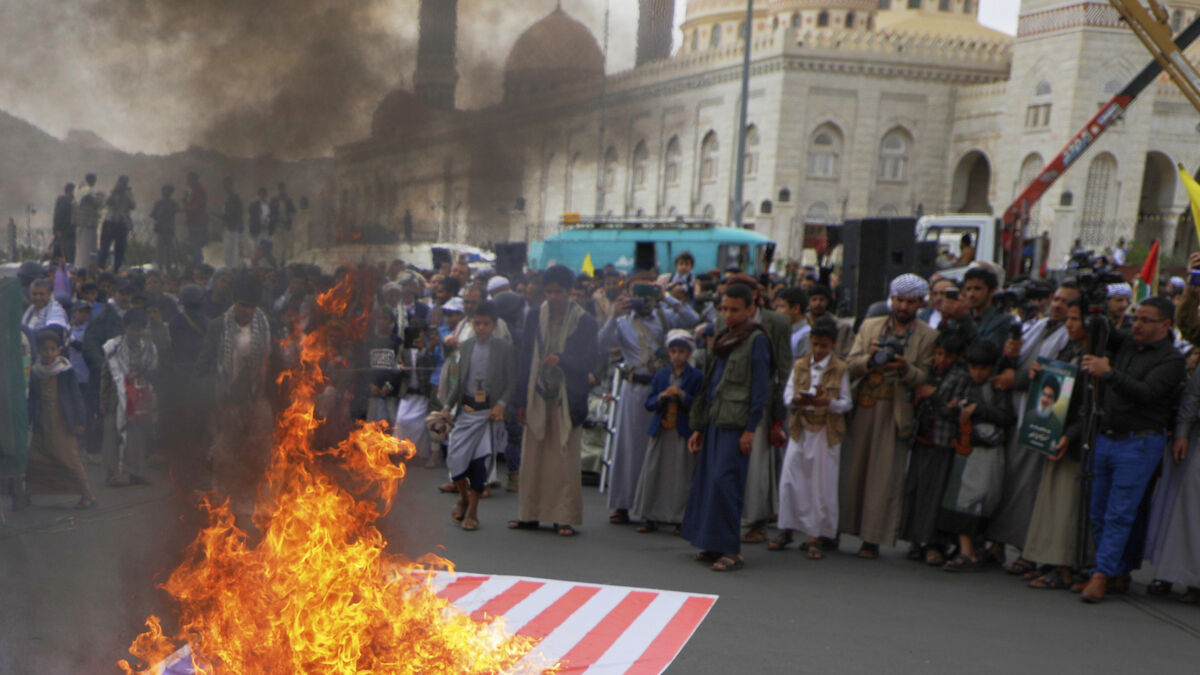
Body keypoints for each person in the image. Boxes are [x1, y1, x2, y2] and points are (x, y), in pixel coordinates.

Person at [1077, 297, 1186, 603]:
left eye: (1146, 320)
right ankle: (1115, 571)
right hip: (1107, 437)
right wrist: (1092, 298)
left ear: (1166, 325)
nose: (1137, 325)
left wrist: (1110, 373)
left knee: (1120, 512)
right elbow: (1097, 328)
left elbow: (1147, 393)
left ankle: (1101, 575)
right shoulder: (1126, 344)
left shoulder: (1171, 360)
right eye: (1136, 318)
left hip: (1139, 442)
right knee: (1098, 509)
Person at [985, 281, 1081, 572]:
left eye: (1066, 302)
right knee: (1008, 481)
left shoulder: (1070, 337)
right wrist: (1010, 357)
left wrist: (1018, 378)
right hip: (1017, 412)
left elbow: (1058, 373)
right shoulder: (1038, 326)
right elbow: (1018, 363)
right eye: (1056, 299)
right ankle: (997, 544)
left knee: (1030, 487)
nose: (1058, 305)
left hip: (1043, 417)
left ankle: (1028, 549)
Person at [840, 273, 937, 559]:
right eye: (899, 300)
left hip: (895, 412)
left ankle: (872, 539)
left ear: (920, 302)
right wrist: (870, 360)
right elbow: (849, 364)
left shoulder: (928, 336)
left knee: (884, 479)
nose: (903, 306)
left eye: (910, 301)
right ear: (891, 300)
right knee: (852, 473)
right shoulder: (870, 326)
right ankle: (841, 529)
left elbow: (925, 376)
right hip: (864, 407)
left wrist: (905, 367)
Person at [680, 283, 771, 572]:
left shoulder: (757, 340)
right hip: (716, 419)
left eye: (734, 310)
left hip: (736, 423)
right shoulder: (724, 337)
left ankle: (731, 549)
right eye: (724, 309)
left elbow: (760, 388)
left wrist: (750, 428)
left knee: (725, 483)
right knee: (709, 483)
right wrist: (700, 426)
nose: (728, 315)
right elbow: (711, 384)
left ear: (750, 310)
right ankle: (711, 543)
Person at [599, 273, 699, 525]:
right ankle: (622, 504)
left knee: (659, 450)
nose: (643, 299)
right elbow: (601, 344)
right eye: (638, 293)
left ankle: (654, 508)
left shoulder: (666, 316)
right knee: (629, 448)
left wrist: (667, 298)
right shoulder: (622, 322)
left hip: (665, 388)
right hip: (634, 389)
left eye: (648, 292)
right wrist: (612, 316)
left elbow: (693, 319)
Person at [510, 265, 598, 536]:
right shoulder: (535, 316)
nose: (553, 297)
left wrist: (561, 360)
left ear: (570, 292)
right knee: (533, 456)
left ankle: (564, 518)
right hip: (537, 395)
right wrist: (520, 401)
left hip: (567, 397)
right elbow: (525, 357)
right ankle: (530, 514)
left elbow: (589, 363)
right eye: (548, 292)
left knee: (563, 459)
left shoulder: (585, 321)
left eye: (558, 292)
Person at [770, 316, 852, 559]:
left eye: (823, 346)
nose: (818, 350)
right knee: (790, 480)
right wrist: (796, 399)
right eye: (815, 345)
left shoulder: (841, 369)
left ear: (833, 345)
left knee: (820, 484)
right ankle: (786, 529)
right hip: (800, 428)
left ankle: (816, 535)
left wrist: (829, 403)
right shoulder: (799, 366)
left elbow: (847, 402)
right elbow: (787, 394)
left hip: (826, 433)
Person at [1024, 300, 1091, 590]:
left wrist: (1071, 434)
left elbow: (1087, 404)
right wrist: (1041, 376)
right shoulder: (1068, 349)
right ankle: (1049, 562)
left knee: (1066, 504)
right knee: (1051, 503)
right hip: (1054, 430)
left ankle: (1063, 566)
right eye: (1070, 319)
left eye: (1077, 319)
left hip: (1075, 439)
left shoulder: (1093, 356)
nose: (1070, 324)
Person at [197, 273, 275, 517]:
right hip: (227, 397)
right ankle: (221, 499)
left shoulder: (263, 325)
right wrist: (209, 393)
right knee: (225, 450)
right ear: (234, 303)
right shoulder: (218, 326)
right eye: (243, 305)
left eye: (252, 306)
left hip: (256, 396)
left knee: (262, 447)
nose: (247, 311)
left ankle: (259, 499)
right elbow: (204, 364)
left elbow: (272, 361)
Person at [939, 339, 1015, 571]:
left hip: (988, 452)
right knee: (963, 500)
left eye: (983, 368)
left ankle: (976, 550)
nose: (977, 373)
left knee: (980, 498)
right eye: (974, 368)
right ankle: (966, 551)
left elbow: (1006, 417)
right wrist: (956, 409)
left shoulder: (997, 388)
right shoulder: (966, 384)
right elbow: (946, 410)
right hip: (966, 449)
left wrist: (979, 410)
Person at [899, 327, 972, 565]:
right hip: (921, 440)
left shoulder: (961, 377)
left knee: (935, 496)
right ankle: (916, 540)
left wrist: (934, 395)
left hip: (942, 443)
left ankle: (934, 544)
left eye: (947, 356)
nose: (941, 360)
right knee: (916, 492)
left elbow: (955, 411)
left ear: (957, 357)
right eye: (938, 354)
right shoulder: (930, 373)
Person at [442, 302, 515, 532]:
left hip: (487, 414)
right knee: (455, 460)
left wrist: (501, 404)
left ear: (494, 325)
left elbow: (512, 381)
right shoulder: (465, 347)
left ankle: (473, 510)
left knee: (478, 463)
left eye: (485, 324)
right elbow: (459, 382)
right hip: (465, 411)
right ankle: (462, 497)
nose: (481, 328)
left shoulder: (504, 348)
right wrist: (447, 407)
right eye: (477, 323)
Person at [631, 329, 703, 534]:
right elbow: (649, 402)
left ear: (688, 354)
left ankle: (680, 518)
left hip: (681, 430)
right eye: (674, 351)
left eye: (682, 351)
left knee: (681, 476)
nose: (677, 356)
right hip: (662, 428)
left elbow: (698, 404)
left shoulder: (696, 376)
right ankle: (650, 516)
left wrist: (681, 395)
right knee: (654, 472)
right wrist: (662, 397)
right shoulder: (662, 374)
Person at [26, 329, 96, 509]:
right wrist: (29, 419)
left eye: (52, 349)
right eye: (44, 350)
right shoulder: (36, 371)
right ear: (39, 351)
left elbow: (76, 397)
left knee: (69, 458)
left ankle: (87, 495)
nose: (49, 353)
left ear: (58, 350)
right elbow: (33, 398)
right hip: (42, 422)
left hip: (63, 421)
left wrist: (80, 421)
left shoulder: (65, 370)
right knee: (37, 458)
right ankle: (26, 494)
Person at [100, 308, 157, 487]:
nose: (136, 333)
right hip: (115, 396)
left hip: (138, 398)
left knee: (137, 436)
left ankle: (136, 473)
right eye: (132, 328)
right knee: (112, 434)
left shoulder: (149, 348)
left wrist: (139, 373)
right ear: (125, 328)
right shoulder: (113, 347)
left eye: (140, 329)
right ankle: (112, 474)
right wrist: (102, 399)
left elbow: (154, 370)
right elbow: (105, 374)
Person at [961, 266, 1014, 347]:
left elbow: (985, 351)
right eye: (968, 289)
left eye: (977, 289)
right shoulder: (961, 318)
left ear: (992, 291)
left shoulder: (1003, 320)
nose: (971, 294)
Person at [99, 175, 135, 272]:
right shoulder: (112, 190)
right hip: (109, 222)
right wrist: (115, 192)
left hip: (122, 223)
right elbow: (107, 202)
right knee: (104, 248)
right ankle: (100, 268)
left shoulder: (128, 192)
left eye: (124, 183)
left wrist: (124, 193)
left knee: (120, 249)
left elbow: (133, 205)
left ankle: (117, 269)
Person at [73, 173, 102, 269]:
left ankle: (81, 265)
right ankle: (85, 267)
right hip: (88, 223)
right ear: (92, 180)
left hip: (81, 222)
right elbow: (98, 204)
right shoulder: (88, 191)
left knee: (81, 246)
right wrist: (99, 197)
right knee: (86, 248)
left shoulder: (79, 189)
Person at [150, 184, 180, 274]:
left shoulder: (172, 203)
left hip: (169, 229)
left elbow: (177, 210)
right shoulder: (159, 203)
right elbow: (153, 214)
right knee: (160, 250)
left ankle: (169, 267)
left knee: (169, 250)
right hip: (161, 229)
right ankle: (160, 267)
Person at [777, 286, 811, 360]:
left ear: (796, 308)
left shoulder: (806, 335)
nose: (778, 311)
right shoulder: (785, 330)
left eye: (782, 306)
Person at [183, 172, 208, 266]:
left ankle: (198, 265)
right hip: (192, 222)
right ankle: (196, 263)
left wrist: (187, 209)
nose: (187, 182)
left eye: (189, 179)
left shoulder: (199, 190)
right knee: (193, 245)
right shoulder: (191, 191)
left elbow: (198, 206)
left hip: (198, 222)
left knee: (196, 245)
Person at [222, 177, 244, 269]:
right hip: (229, 227)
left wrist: (220, 215)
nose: (225, 186)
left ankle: (232, 270)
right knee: (229, 251)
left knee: (233, 251)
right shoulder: (229, 197)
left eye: (227, 184)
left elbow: (233, 213)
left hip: (233, 228)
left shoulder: (234, 197)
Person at [52, 183, 76, 264]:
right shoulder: (65, 200)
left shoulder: (71, 200)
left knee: (66, 253)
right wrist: (57, 229)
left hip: (68, 232)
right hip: (65, 232)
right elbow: (59, 215)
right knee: (65, 253)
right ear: (70, 190)